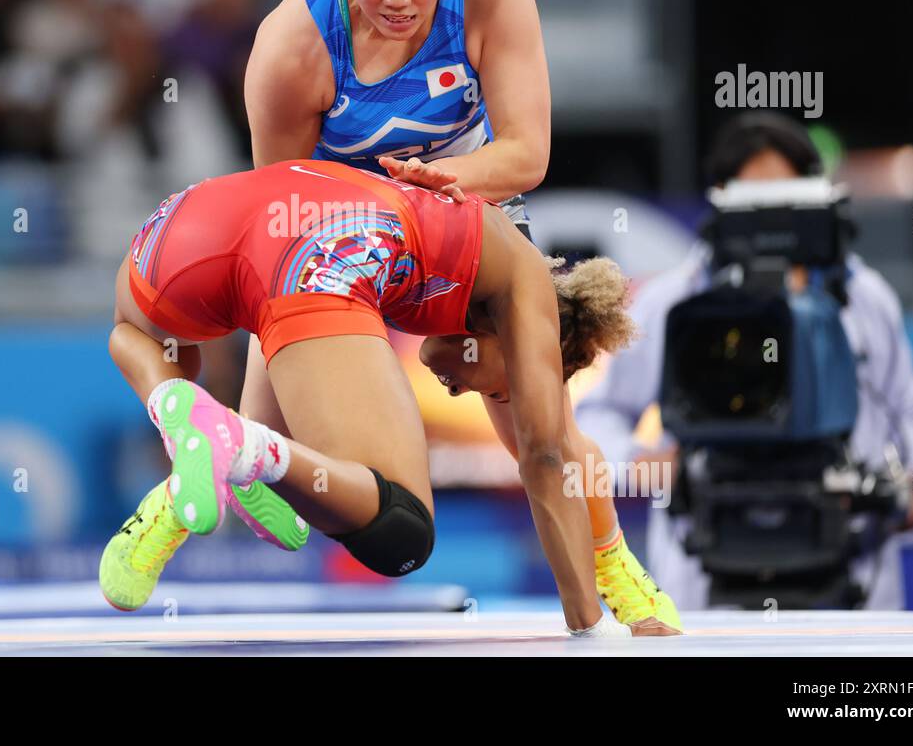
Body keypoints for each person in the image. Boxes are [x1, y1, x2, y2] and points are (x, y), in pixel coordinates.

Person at [100, 159, 680, 637]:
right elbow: (547, 456)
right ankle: (246, 447)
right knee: (401, 530)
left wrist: (178, 399)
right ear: (527, 345)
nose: (470, 393)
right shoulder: (521, 278)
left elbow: (127, 332)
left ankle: (189, 423)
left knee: (151, 340)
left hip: (195, 216)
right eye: (501, 389)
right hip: (319, 250)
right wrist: (594, 629)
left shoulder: (440, 235)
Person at [575, 111, 913, 610]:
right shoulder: (672, 303)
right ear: (722, 199)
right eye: (755, 203)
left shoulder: (864, 298)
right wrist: (641, 463)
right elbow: (597, 416)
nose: (772, 219)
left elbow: (912, 413)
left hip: (851, 565)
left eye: (786, 200)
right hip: (708, 570)